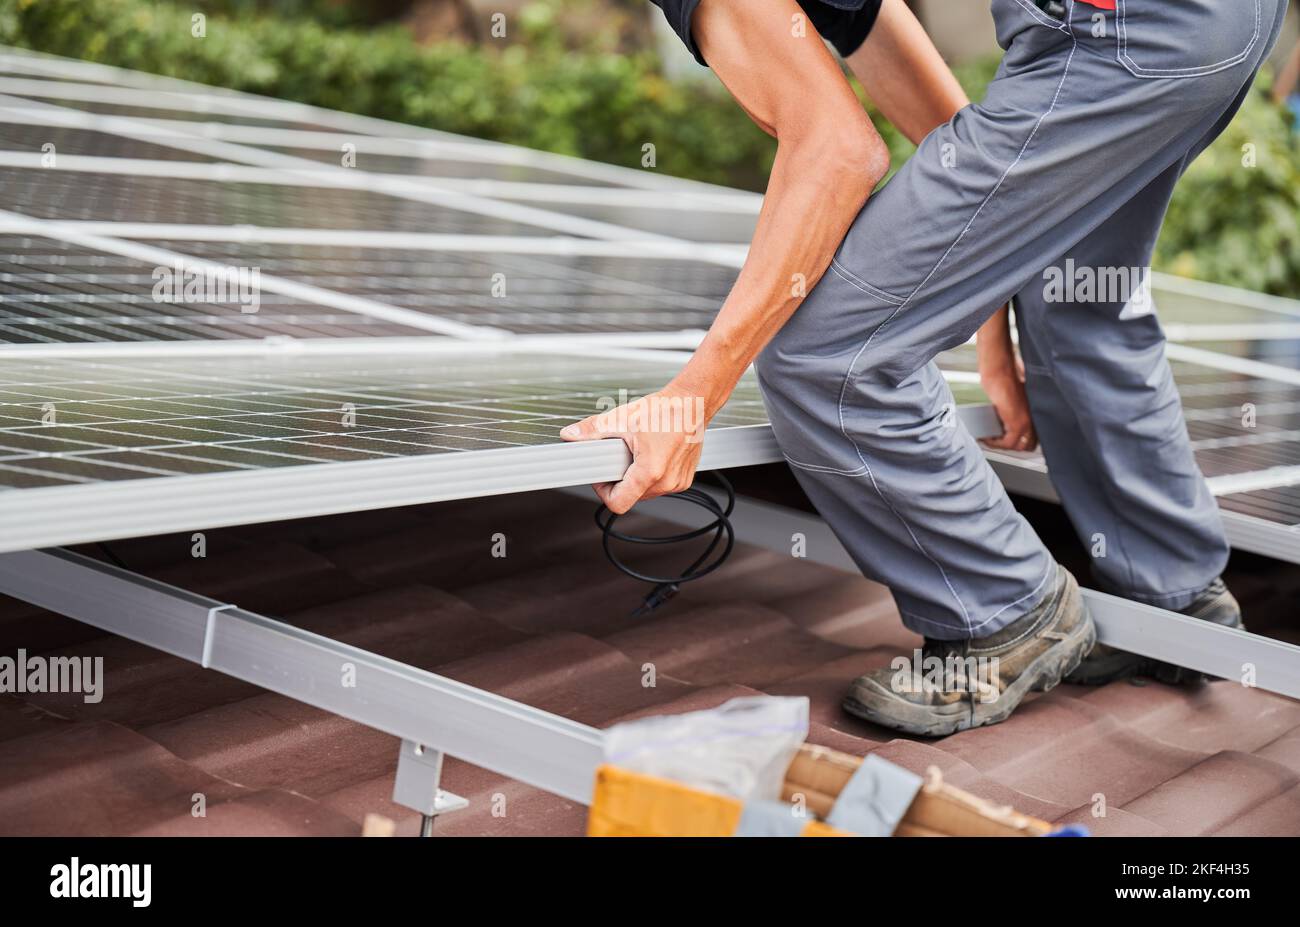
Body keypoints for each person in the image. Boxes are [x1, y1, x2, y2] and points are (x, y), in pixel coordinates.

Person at [562, 0, 1287, 735]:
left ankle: (1006, 611)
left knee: (831, 352)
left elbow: (839, 150)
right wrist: (990, 311)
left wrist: (690, 399)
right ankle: (1173, 587)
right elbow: (877, 34)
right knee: (1074, 292)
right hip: (1207, 24)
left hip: (1118, 31)